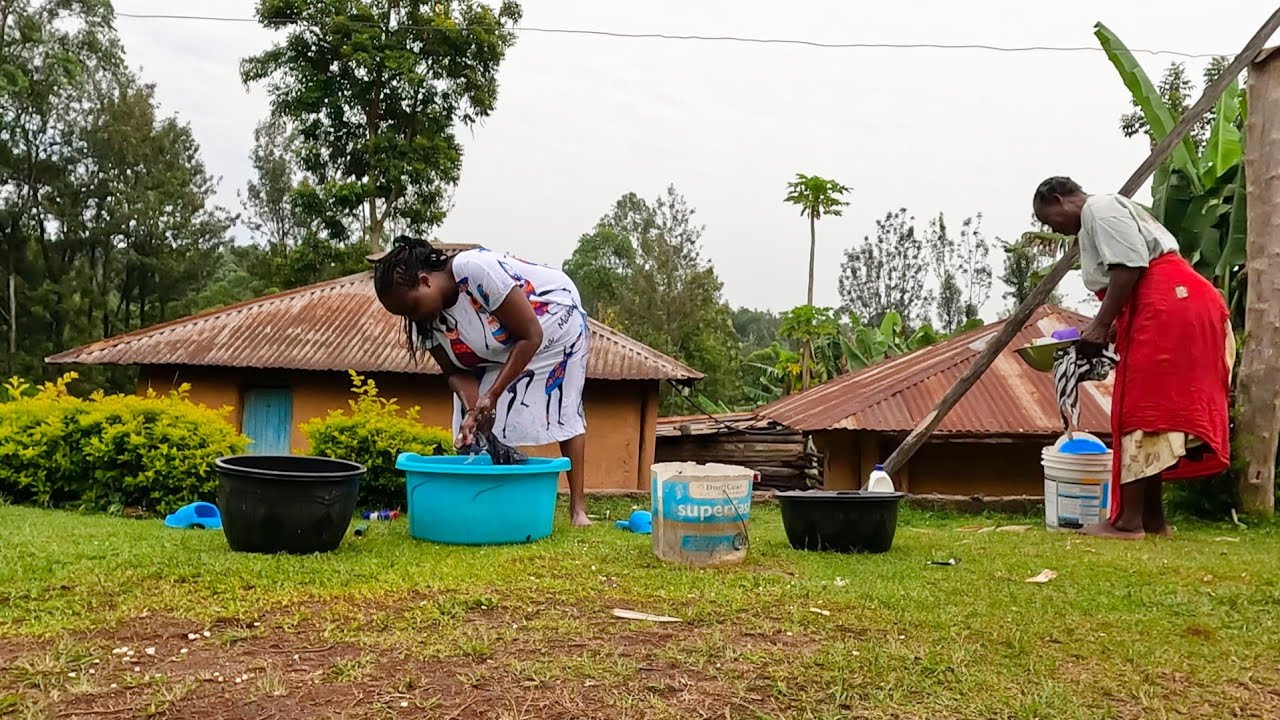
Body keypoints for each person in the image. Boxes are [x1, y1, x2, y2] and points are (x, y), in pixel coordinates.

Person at [1032, 177, 1234, 539]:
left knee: (1141, 408)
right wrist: (1111, 327)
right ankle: (1152, 521)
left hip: (1167, 304)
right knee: (1153, 410)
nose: (1054, 230)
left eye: (1049, 221)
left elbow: (1128, 266)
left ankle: (1127, 522)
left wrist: (1099, 325)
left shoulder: (1101, 207)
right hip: (1167, 304)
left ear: (1060, 200)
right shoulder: (1100, 218)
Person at [373, 237, 593, 527]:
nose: (412, 318)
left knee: (562, 407)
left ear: (425, 281)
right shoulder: (423, 320)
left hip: (552, 322)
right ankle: (491, 504)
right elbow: (455, 372)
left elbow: (530, 335)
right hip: (500, 343)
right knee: (480, 428)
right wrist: (474, 408)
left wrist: (492, 395)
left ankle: (578, 509)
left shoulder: (475, 270)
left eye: (412, 308)